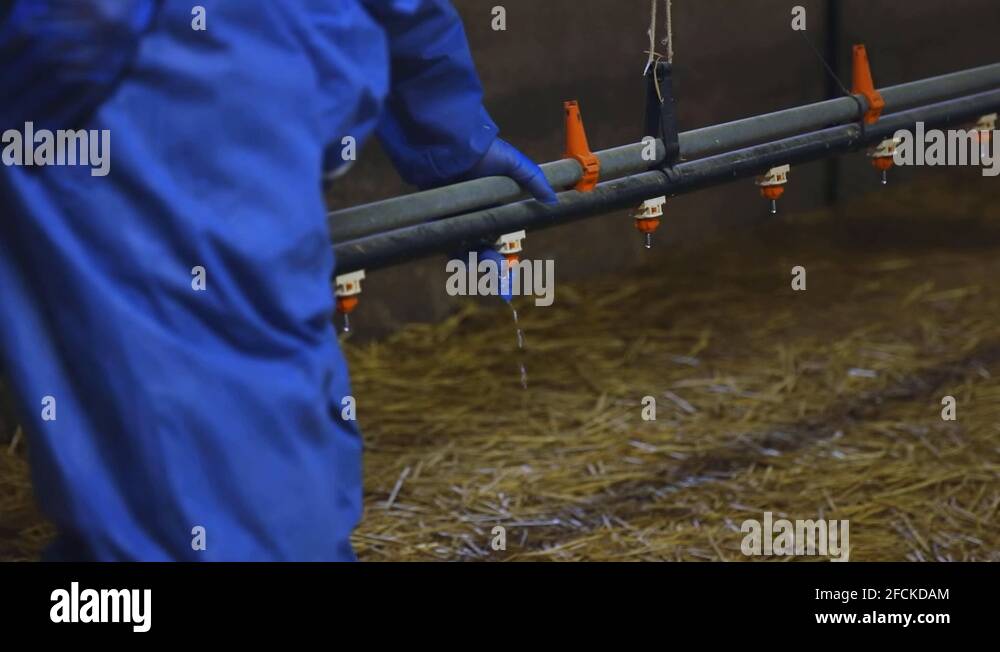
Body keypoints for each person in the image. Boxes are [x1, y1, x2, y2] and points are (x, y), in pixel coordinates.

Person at [0, 0, 556, 560]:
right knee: (254, 426)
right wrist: (453, 135)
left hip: (146, 98)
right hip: (266, 83)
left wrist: (18, 109)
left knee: (194, 481)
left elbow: (89, 18)